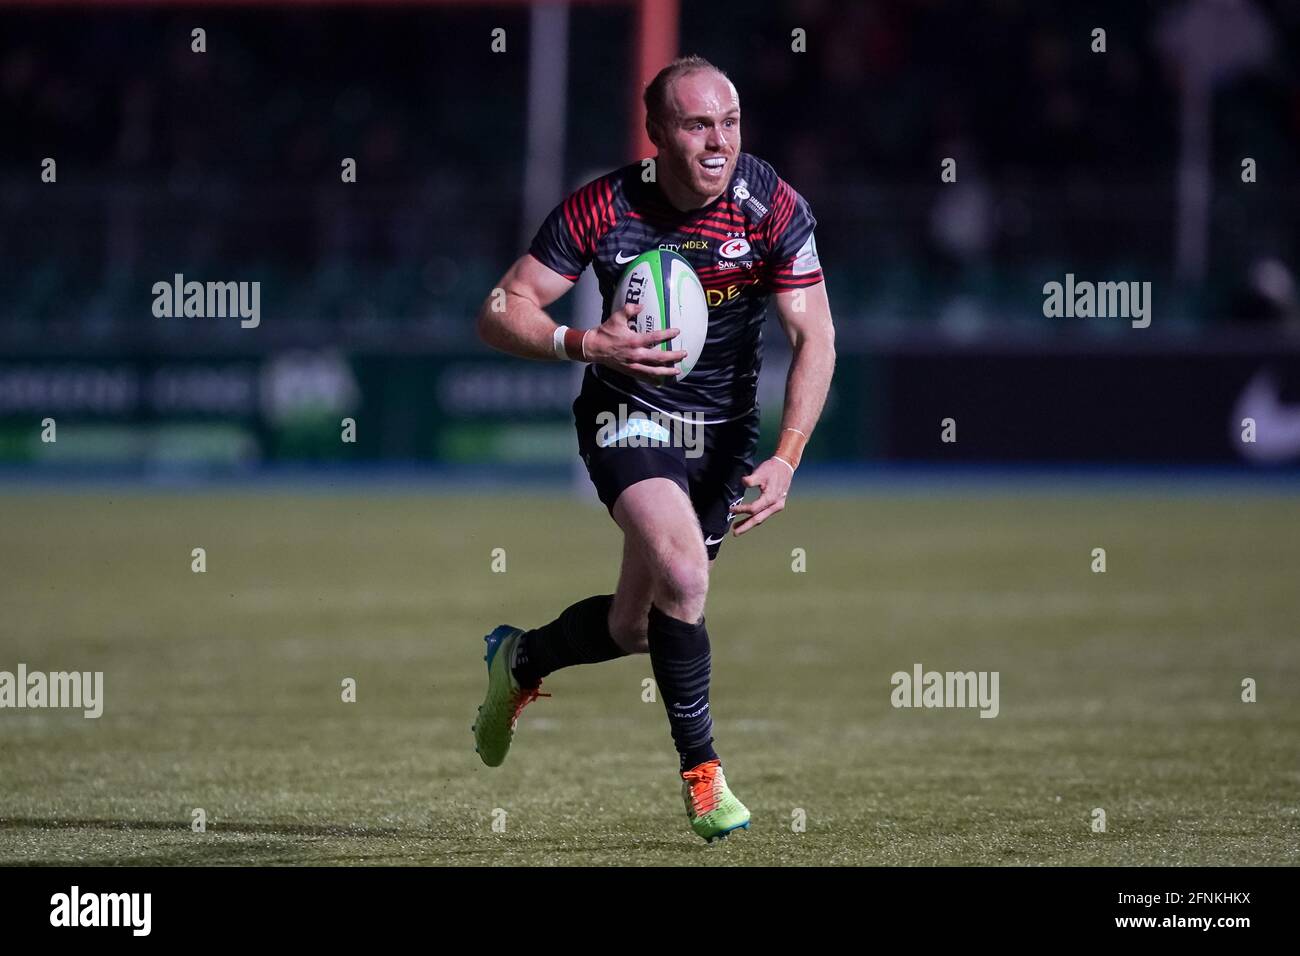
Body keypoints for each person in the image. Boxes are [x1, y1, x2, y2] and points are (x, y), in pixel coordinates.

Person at [472, 56, 835, 842]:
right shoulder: (604, 207)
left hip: (724, 438)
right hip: (629, 416)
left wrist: (788, 456)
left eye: (730, 124)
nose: (718, 143)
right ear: (658, 133)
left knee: (639, 625)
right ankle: (705, 781)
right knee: (683, 569)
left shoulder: (769, 204)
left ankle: (521, 660)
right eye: (698, 125)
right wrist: (579, 341)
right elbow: (501, 308)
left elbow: (817, 337)